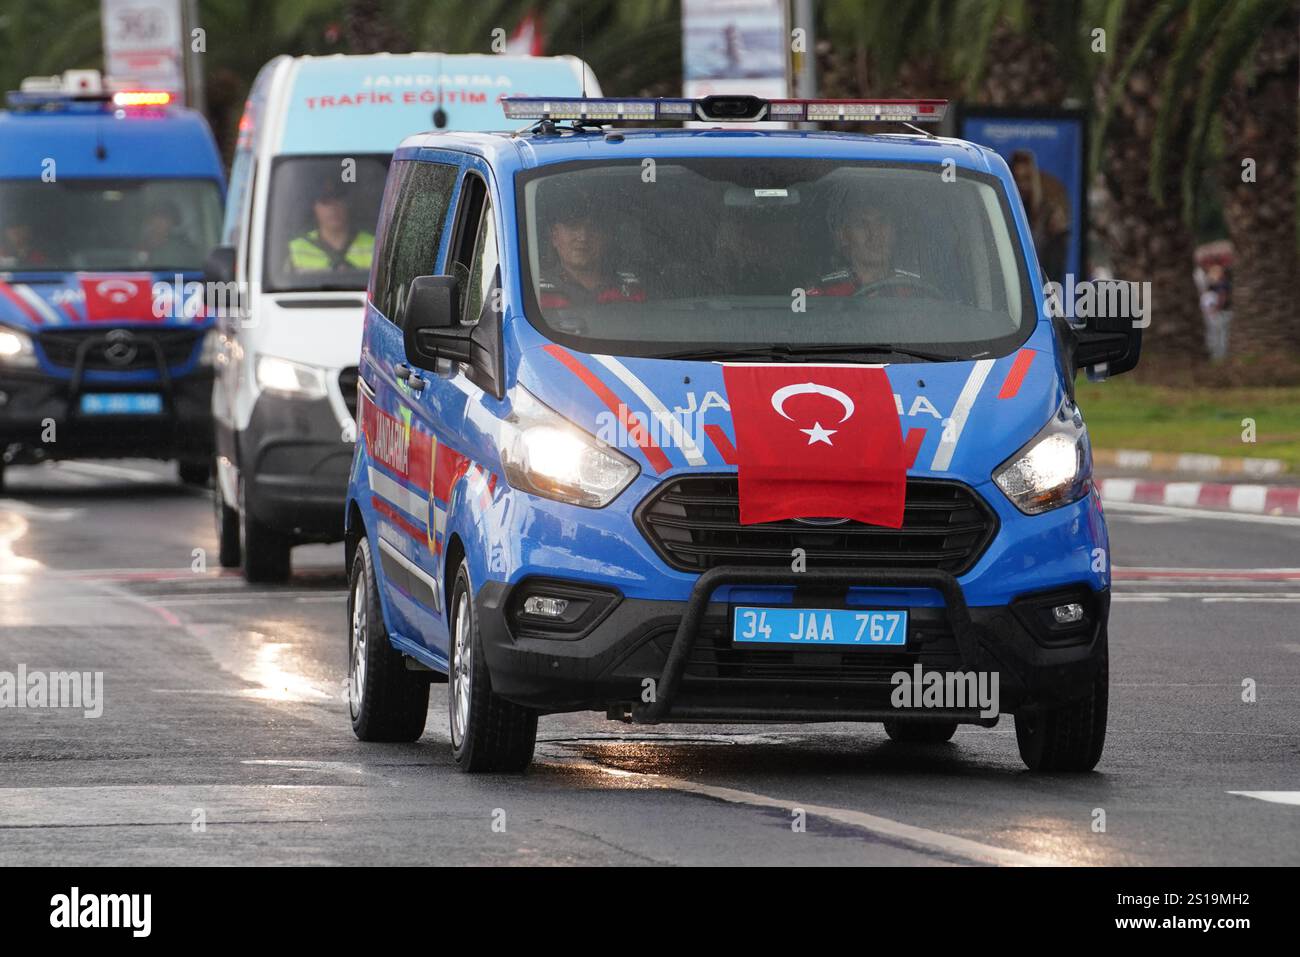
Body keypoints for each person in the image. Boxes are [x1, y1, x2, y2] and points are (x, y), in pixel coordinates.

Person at [807, 189, 927, 298]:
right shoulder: (823, 295)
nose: (874, 234)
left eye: (882, 222)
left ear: (894, 231)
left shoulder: (917, 292)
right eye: (861, 225)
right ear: (843, 236)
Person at [537, 199, 644, 308]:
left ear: (605, 237)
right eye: (573, 226)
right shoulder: (533, 291)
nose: (583, 237)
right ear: (555, 237)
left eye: (593, 228)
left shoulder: (630, 290)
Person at [1009, 149, 1070, 283]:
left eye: (1026, 179)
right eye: (1016, 179)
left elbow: (1056, 264)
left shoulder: (1049, 214)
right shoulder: (1003, 210)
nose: (1021, 186)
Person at [287, 179, 374, 274]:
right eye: (325, 201)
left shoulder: (375, 246)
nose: (333, 207)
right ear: (314, 208)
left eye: (338, 198)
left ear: (348, 204)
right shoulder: (296, 249)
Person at [135, 201, 200, 267]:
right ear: (149, 221)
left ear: (172, 223)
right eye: (156, 217)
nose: (159, 222)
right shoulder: (142, 246)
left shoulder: (182, 249)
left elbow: (183, 275)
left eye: (164, 218)